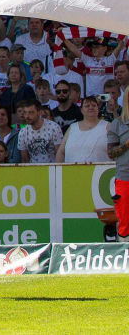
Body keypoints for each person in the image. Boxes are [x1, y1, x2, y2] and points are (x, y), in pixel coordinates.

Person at [57, 97, 110, 163]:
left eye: (94, 105)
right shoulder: (72, 127)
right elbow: (61, 152)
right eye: (87, 106)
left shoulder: (108, 126)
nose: (91, 107)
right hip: (72, 171)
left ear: (98, 109)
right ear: (81, 110)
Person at [108, 89, 129, 242]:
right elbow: (111, 153)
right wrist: (127, 144)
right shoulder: (117, 124)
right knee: (124, 223)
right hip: (125, 177)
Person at [19, 99, 63, 164]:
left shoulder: (54, 127)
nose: (27, 116)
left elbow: (60, 154)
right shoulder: (23, 132)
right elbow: (25, 159)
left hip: (52, 170)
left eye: (31, 112)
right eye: (25, 112)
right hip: (32, 170)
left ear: (39, 112)